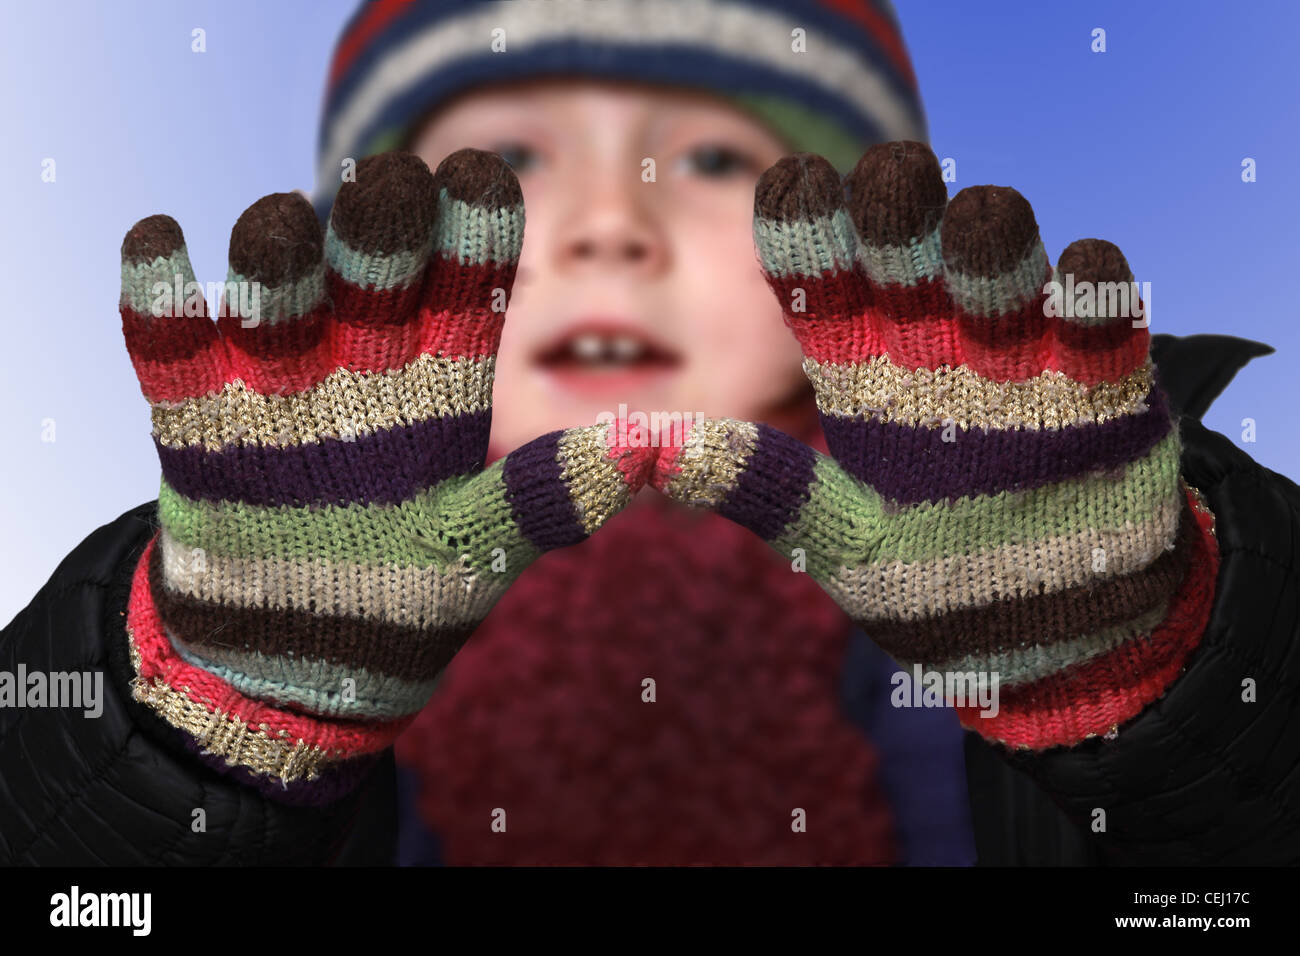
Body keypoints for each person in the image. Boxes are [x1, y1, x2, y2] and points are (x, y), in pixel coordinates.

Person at [2, 0, 1296, 867]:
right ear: (382, 257)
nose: (615, 223)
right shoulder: (203, 590)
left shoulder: (1045, 544)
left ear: (852, 257)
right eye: (509, 158)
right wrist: (199, 715)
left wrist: (1158, 667)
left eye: (721, 163)